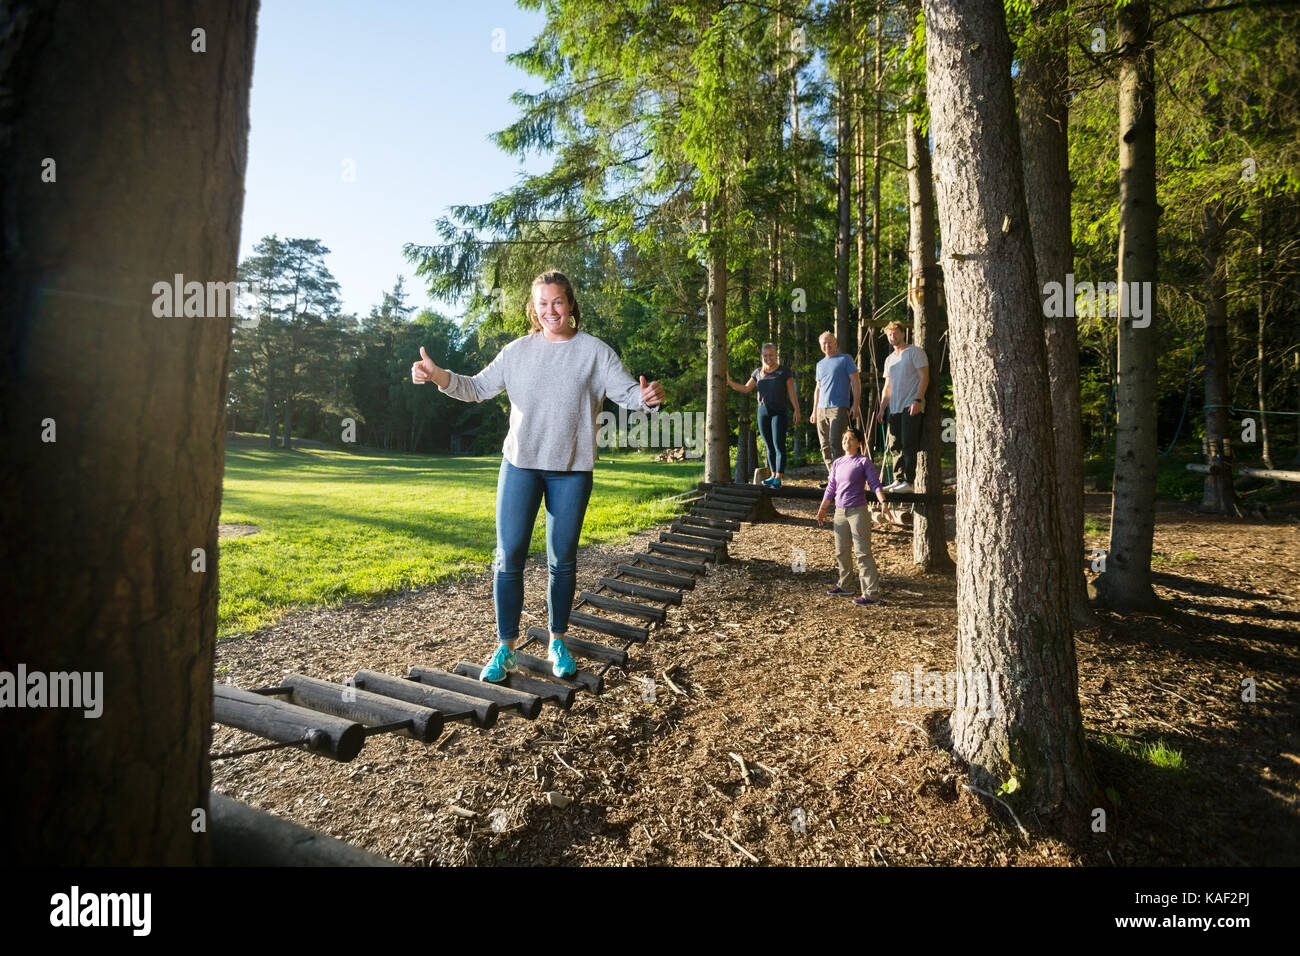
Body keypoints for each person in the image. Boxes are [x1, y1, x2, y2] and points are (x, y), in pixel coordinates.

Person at [411, 271, 665, 682]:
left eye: (558, 302)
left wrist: (649, 398)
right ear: (534, 309)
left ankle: (557, 640)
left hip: (571, 470)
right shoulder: (516, 352)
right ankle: (505, 647)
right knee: (508, 556)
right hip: (520, 466)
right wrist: (436, 374)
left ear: (571, 305)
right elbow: (474, 388)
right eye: (543, 303)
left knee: (561, 560)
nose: (551, 310)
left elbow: (629, 394)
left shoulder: (595, 353)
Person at [816, 425, 891, 606]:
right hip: (840, 512)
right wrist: (823, 508)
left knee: (862, 553)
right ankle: (845, 585)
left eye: (850, 439)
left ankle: (871, 594)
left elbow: (875, 484)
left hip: (857, 512)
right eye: (844, 439)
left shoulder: (863, 462)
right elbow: (831, 488)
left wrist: (883, 503)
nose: (846, 442)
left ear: (858, 443)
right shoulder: (838, 463)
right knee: (841, 551)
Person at [726, 343, 800, 488]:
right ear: (762, 357)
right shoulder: (758, 372)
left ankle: (779, 477)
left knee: (778, 444)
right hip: (762, 412)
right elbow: (747, 389)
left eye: (771, 355)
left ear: (776, 355)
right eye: (765, 355)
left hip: (779, 411)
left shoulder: (784, 371)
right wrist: (729, 382)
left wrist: (797, 409)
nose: (768, 358)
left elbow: (791, 392)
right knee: (768, 446)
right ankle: (772, 475)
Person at [876, 320, 929, 493]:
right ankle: (898, 480)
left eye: (895, 333)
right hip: (895, 407)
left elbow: (924, 377)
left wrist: (918, 400)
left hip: (910, 405)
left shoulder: (915, 352)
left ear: (903, 333)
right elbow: (887, 387)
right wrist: (882, 408)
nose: (892, 336)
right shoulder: (889, 359)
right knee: (894, 445)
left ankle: (909, 481)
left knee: (908, 443)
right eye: (889, 334)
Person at [809, 331, 861, 480]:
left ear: (836, 343)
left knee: (836, 443)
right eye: (824, 343)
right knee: (824, 445)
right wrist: (814, 411)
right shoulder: (820, 364)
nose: (827, 345)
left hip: (839, 407)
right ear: (820, 346)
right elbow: (818, 388)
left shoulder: (845, 359)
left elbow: (855, 382)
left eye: (830, 342)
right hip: (821, 409)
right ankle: (834, 478)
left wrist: (855, 404)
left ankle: (842, 478)